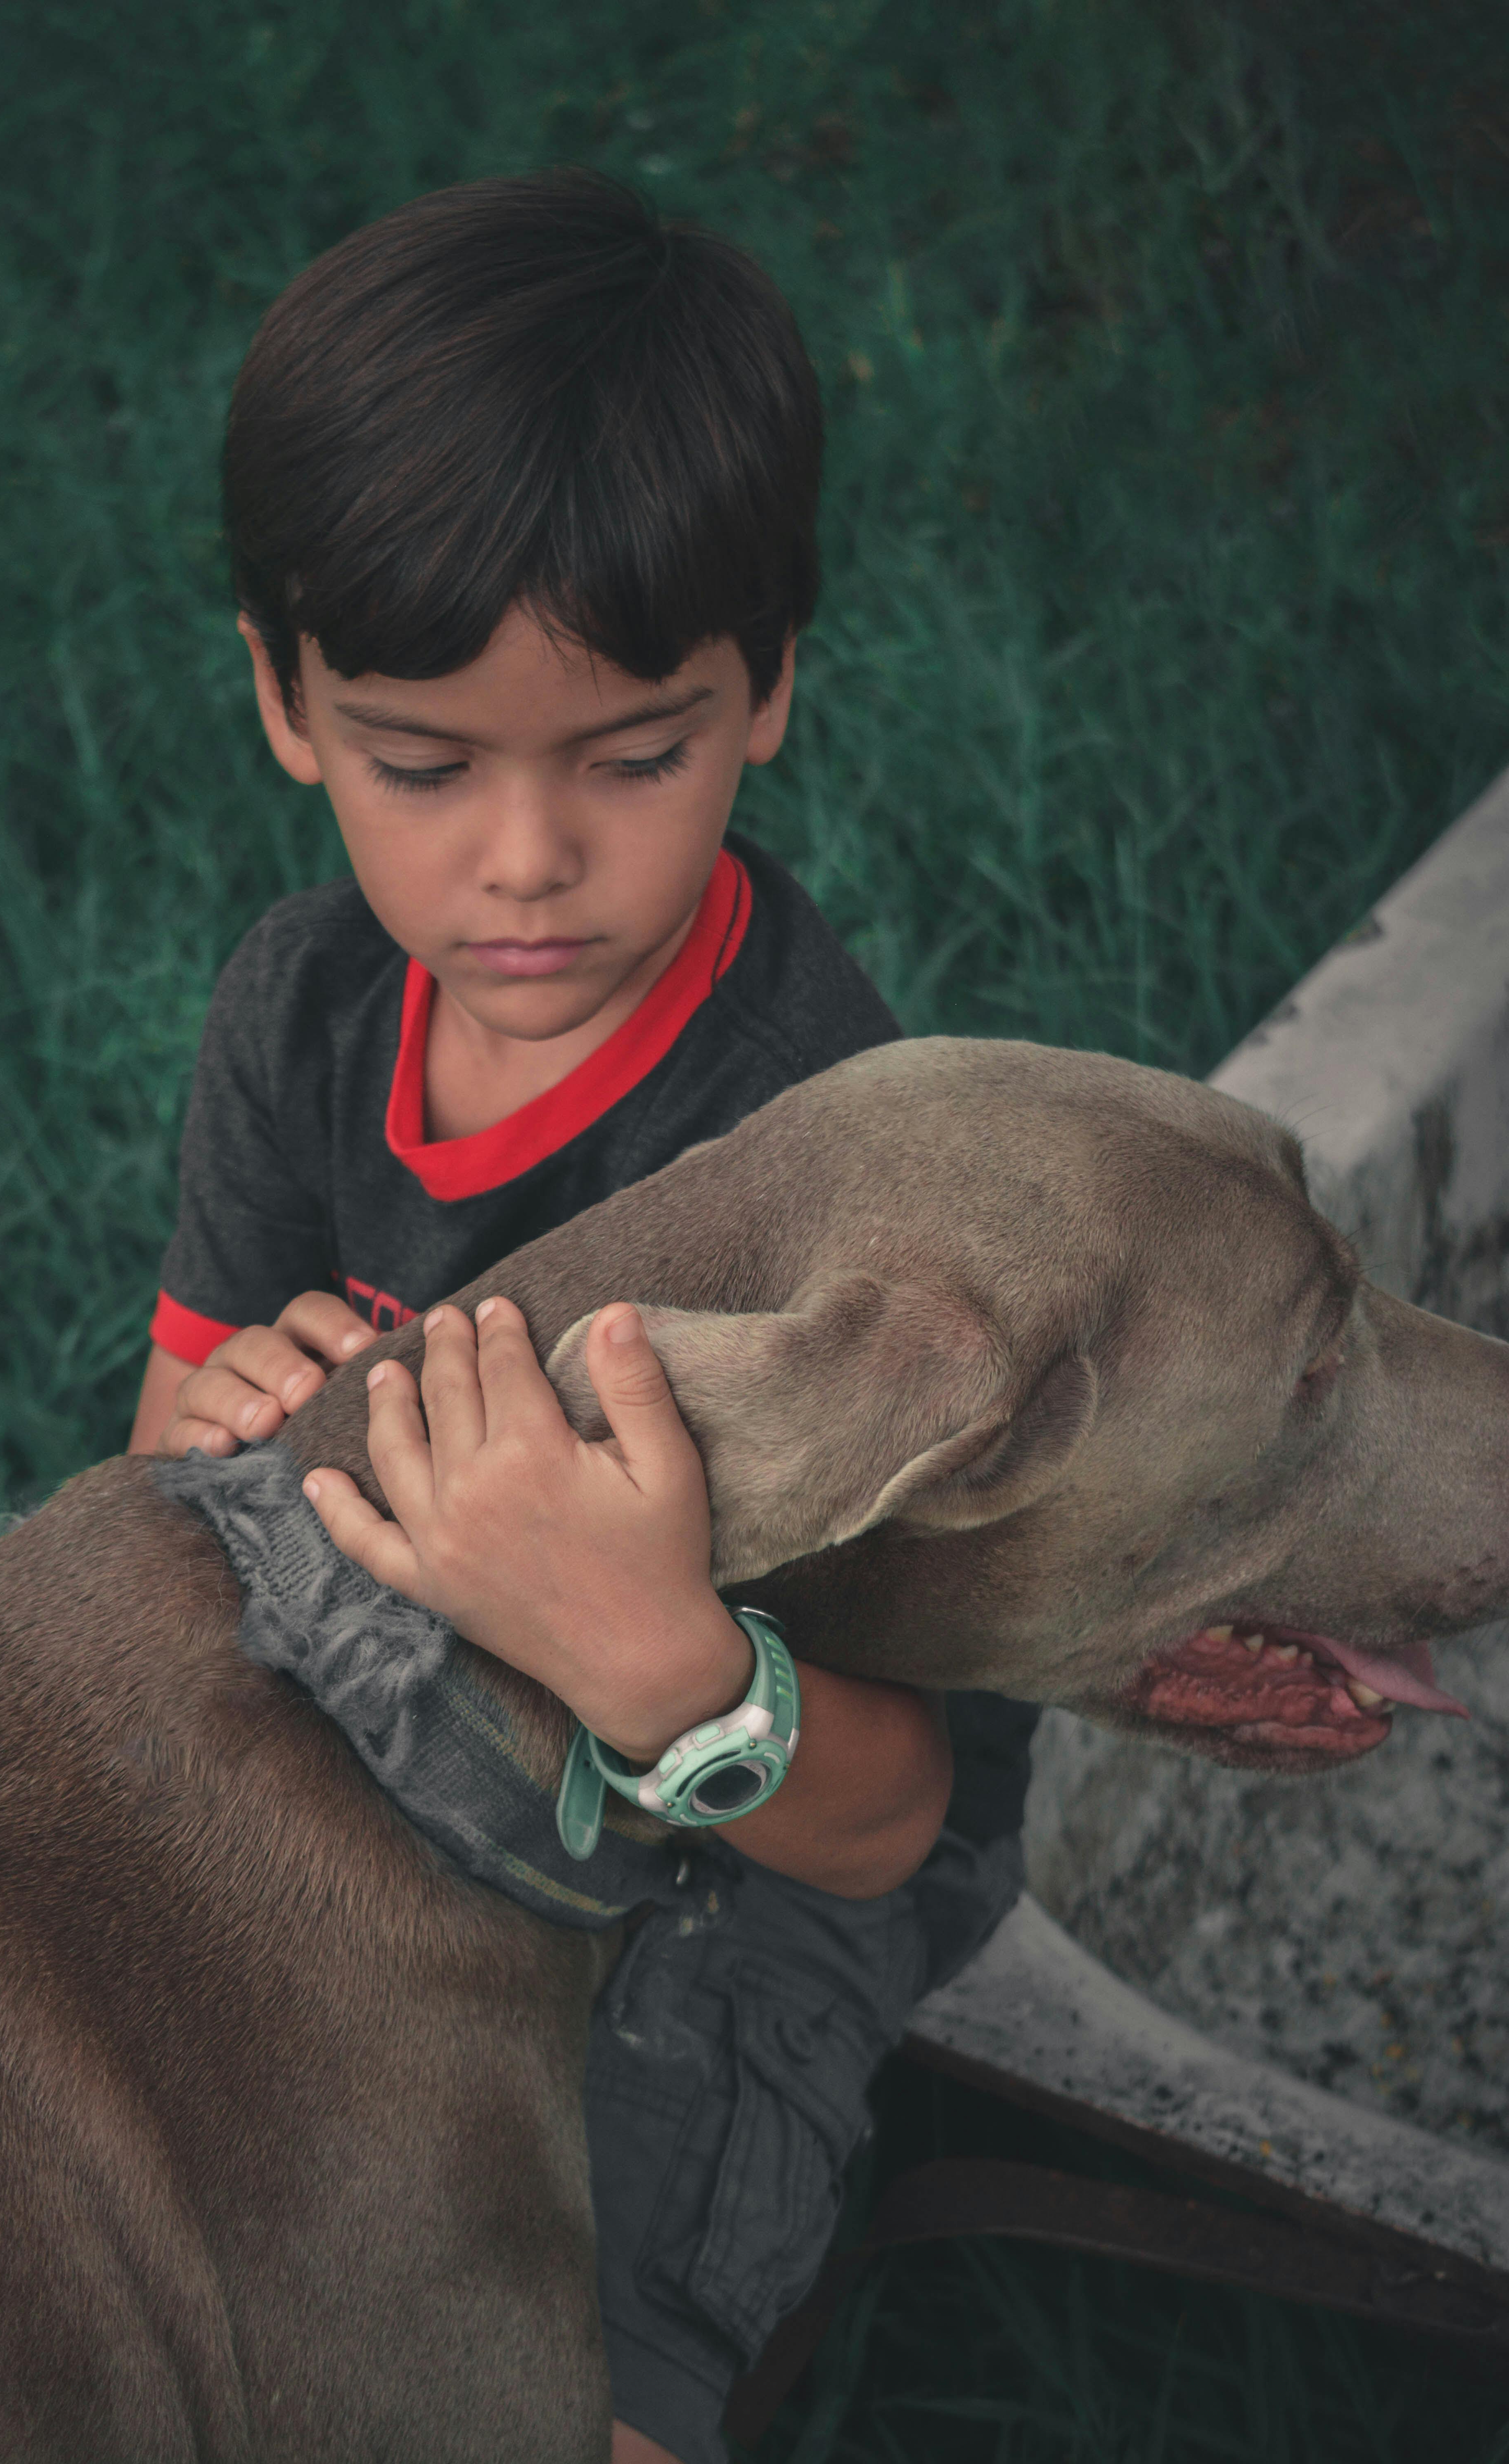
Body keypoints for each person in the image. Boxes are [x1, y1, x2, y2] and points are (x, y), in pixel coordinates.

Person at [130, 169, 1034, 2464]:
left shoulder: (841, 1156)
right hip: (398, 1732)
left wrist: (660, 1664)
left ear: (774, 685)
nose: (523, 862)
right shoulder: (308, 1008)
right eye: (423, 764)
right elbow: (164, 1470)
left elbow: (884, 1828)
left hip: (737, 1845)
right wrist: (226, 1443)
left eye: (634, 753)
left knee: (553, 2383)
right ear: (282, 699)